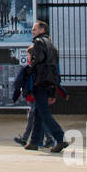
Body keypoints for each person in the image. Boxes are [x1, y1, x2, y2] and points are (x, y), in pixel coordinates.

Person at [25, 21, 68, 153]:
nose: (33, 31)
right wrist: (53, 90)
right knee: (38, 111)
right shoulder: (51, 45)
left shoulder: (38, 43)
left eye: (34, 29)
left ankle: (60, 138)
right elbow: (54, 68)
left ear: (42, 29)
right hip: (49, 82)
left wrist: (29, 71)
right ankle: (34, 141)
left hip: (40, 82)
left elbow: (38, 61)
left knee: (43, 112)